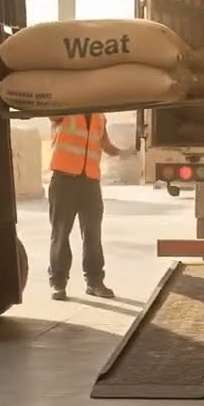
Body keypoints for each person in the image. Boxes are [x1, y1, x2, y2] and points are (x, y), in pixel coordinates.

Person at [47, 112, 132, 301]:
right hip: (63, 180)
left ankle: (94, 283)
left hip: (90, 183)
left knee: (93, 234)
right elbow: (51, 113)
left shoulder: (100, 117)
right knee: (60, 234)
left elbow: (105, 145)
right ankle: (58, 283)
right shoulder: (64, 110)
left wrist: (121, 153)